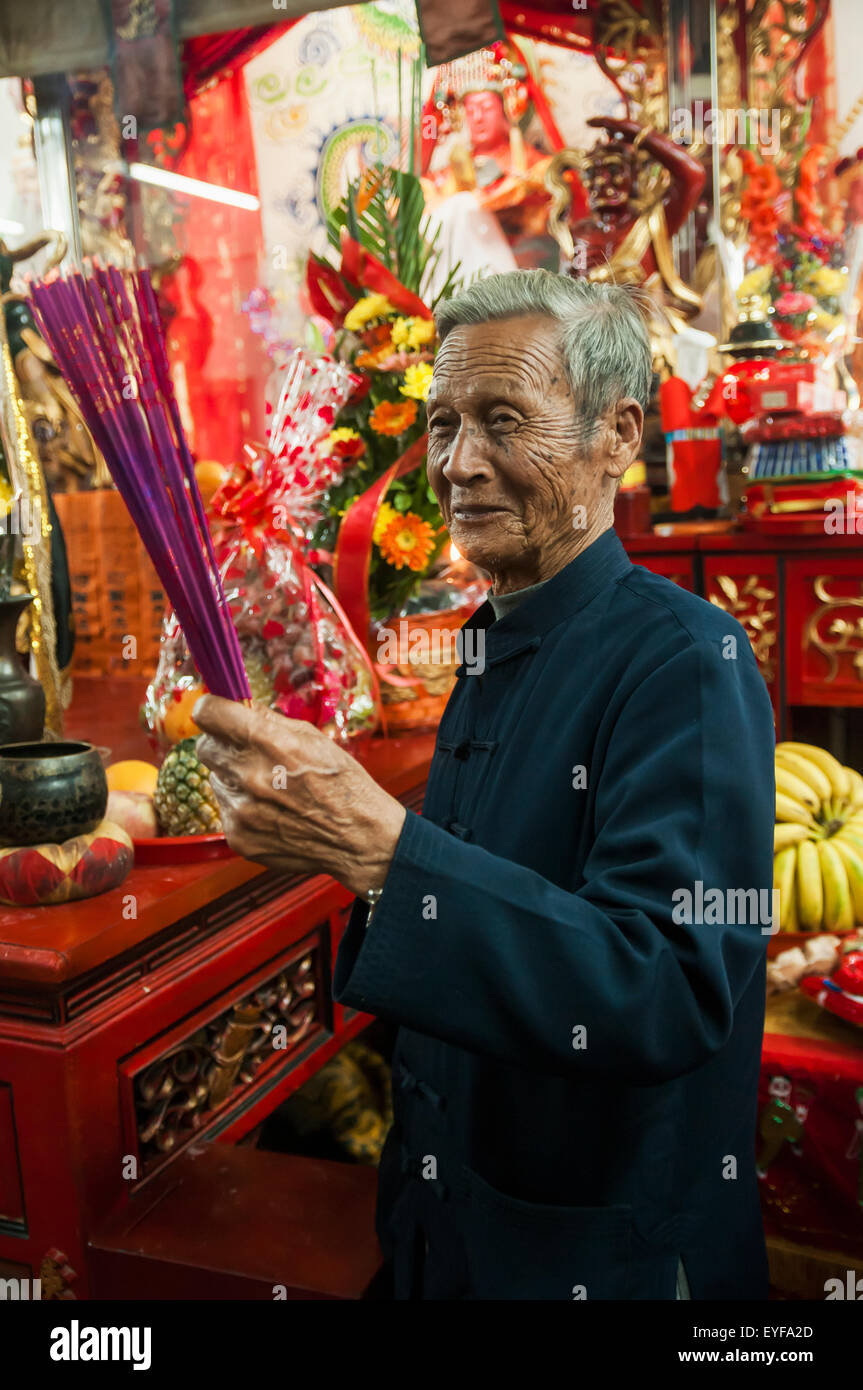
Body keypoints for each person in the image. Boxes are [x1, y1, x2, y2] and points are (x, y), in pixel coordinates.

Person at [194, 270, 775, 1301]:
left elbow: (666, 985)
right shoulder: (492, 640)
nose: (456, 465)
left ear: (617, 435)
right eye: (442, 423)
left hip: (594, 1248)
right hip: (453, 1225)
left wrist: (381, 851)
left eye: (502, 420)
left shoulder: (682, 659)